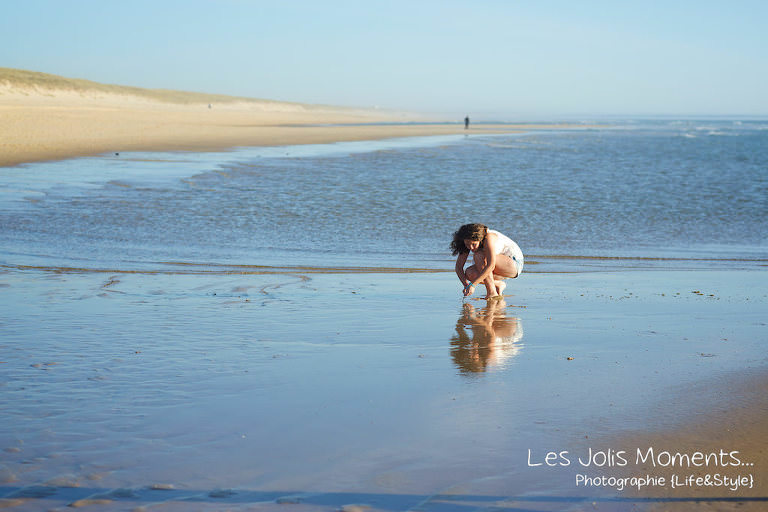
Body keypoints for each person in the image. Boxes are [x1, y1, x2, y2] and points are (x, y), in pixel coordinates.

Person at [451, 223, 524, 299]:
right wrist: (466, 285)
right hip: (496, 267)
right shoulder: (467, 241)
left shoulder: (489, 237)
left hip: (514, 264)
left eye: (474, 244)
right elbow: (458, 267)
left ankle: (492, 293)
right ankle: (497, 284)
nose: (471, 247)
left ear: (480, 239)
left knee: (478, 255)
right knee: (470, 273)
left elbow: (491, 265)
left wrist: (473, 285)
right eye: (467, 244)